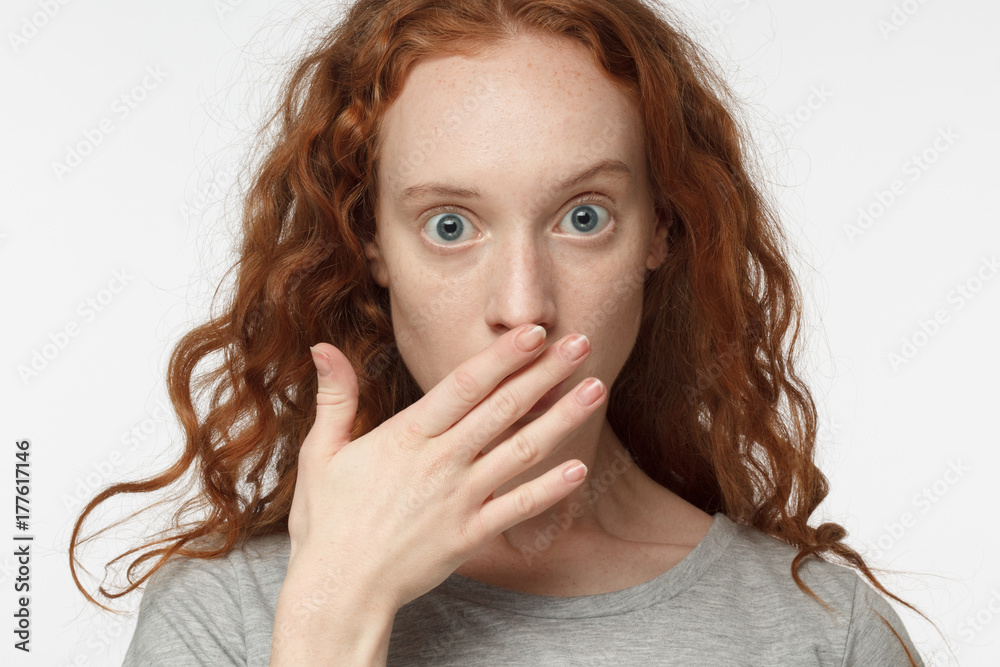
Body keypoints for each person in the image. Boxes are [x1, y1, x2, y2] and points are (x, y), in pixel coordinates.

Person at [69, 0, 935, 664]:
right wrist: (334, 615)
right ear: (371, 242)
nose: (523, 306)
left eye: (584, 216)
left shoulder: (821, 630)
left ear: (661, 230)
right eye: (450, 226)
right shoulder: (225, 618)